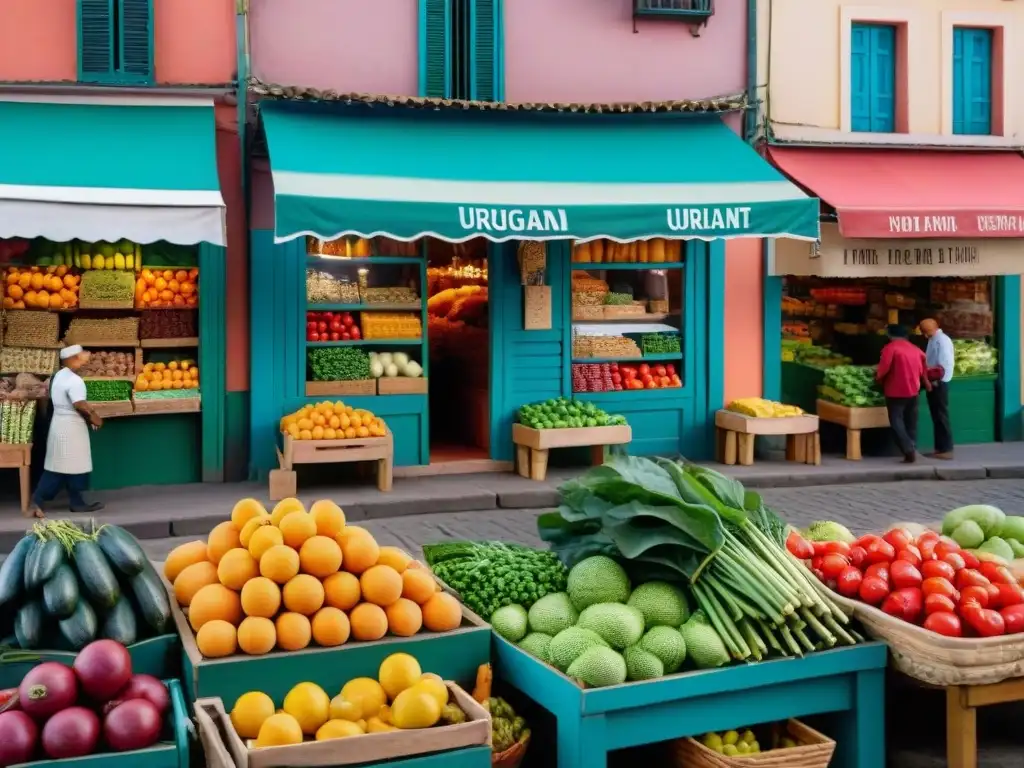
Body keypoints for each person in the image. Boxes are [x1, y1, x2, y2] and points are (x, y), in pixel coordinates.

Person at [26, 345, 104, 517]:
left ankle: (73, 502)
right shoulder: (75, 381)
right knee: (68, 466)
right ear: (73, 358)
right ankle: (41, 500)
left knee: (64, 465)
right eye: (82, 354)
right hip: (71, 427)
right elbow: (80, 404)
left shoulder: (58, 376)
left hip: (59, 423)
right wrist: (95, 418)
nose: (86, 355)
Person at [876, 324, 931, 463]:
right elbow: (924, 368)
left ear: (890, 335)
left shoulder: (890, 349)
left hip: (896, 390)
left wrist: (878, 379)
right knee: (911, 422)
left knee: (896, 421)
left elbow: (883, 369)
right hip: (914, 390)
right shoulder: (916, 349)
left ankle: (908, 449)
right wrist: (926, 383)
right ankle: (911, 449)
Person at [920, 318, 955, 459]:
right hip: (934, 381)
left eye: (924, 331)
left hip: (938, 383)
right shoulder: (933, 339)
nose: (923, 334)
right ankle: (940, 448)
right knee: (937, 416)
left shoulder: (942, 341)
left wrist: (934, 381)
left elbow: (943, 365)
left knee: (941, 415)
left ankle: (946, 448)